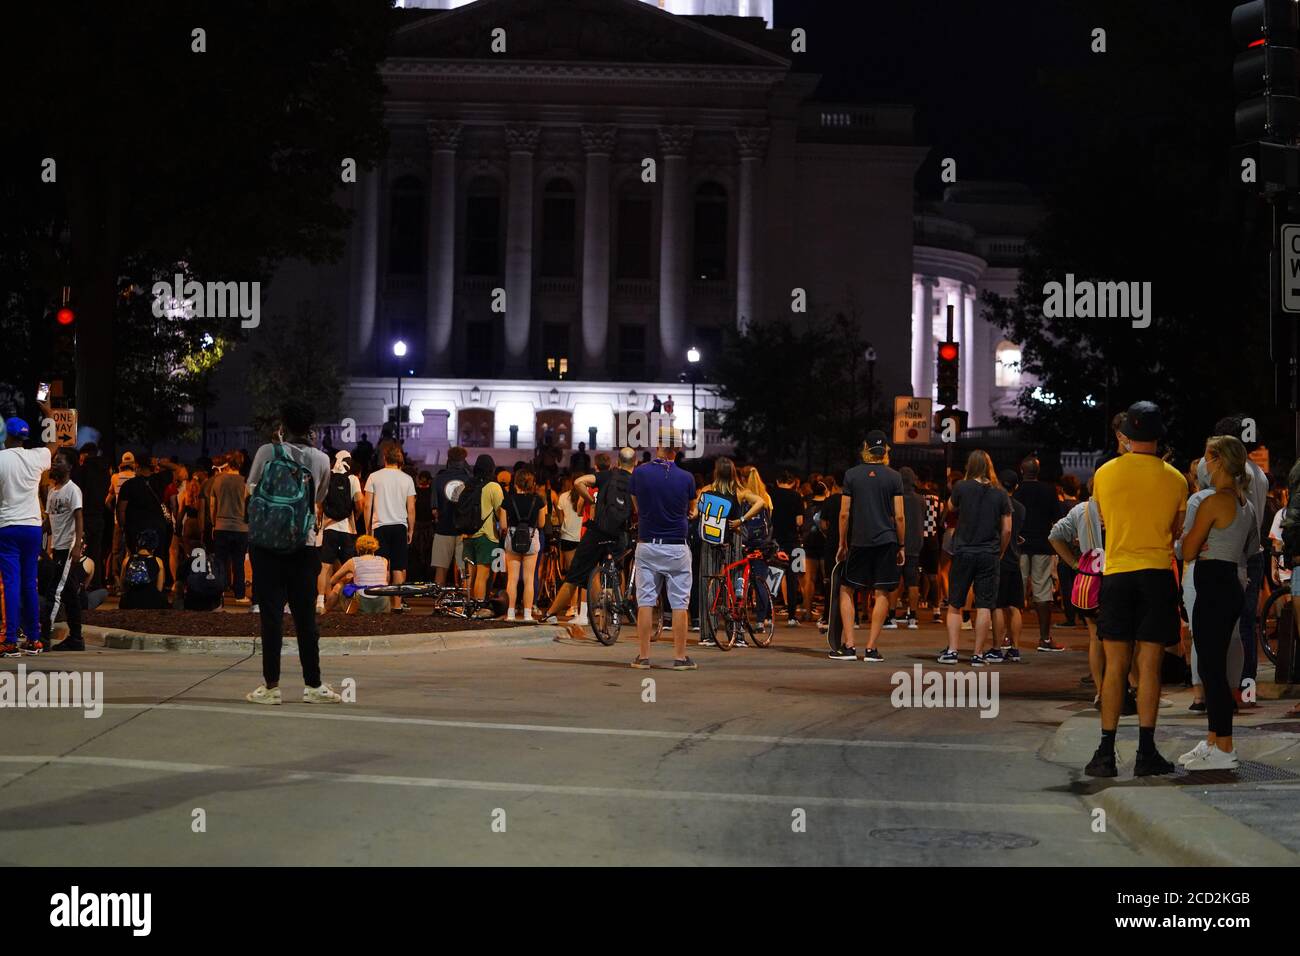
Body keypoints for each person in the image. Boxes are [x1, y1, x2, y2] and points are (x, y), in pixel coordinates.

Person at [1086, 401, 1188, 778]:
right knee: (1150, 666)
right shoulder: (1176, 479)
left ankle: (1105, 752)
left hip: (1118, 572)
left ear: (1126, 435)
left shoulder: (1105, 474)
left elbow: (1101, 518)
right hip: (1157, 574)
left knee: (1115, 665)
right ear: (1159, 437)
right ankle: (1146, 752)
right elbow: (1175, 532)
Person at [244, 400, 340, 706]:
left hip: (265, 546)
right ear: (310, 429)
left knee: (271, 617)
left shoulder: (266, 452)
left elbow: (251, 490)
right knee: (305, 619)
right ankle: (313, 685)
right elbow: (319, 497)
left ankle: (270, 687)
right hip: (304, 544)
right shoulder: (321, 460)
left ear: (282, 426)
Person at [1177, 436, 1257, 771]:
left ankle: (1224, 746)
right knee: (1214, 665)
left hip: (1213, 586)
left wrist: (1192, 542)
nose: (1203, 464)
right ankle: (1213, 740)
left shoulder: (1212, 501)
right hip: (1228, 584)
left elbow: (1186, 549)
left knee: (1211, 669)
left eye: (1208, 457)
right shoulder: (1245, 503)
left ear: (1219, 461)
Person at [832, 431, 904, 663]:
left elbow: (844, 513)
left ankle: (850, 645)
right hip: (887, 540)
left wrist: (842, 543)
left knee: (847, 589)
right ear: (885, 451)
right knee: (882, 592)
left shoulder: (851, 475)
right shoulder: (894, 477)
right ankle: (871, 649)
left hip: (859, 541)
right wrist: (901, 545)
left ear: (865, 448)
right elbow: (900, 517)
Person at [543, 448, 635, 626]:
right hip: (620, 533)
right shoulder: (636, 481)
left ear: (617, 463)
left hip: (597, 531)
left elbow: (578, 482)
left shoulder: (607, 476)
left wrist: (591, 501)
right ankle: (615, 610)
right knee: (618, 569)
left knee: (576, 575)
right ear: (635, 463)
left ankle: (550, 613)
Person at [939, 451, 1011, 665]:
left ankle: (952, 651)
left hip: (963, 551)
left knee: (955, 603)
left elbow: (950, 507)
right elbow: (1007, 529)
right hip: (989, 553)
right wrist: (1001, 551)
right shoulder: (1000, 493)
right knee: (984, 605)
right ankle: (978, 654)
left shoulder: (961, 487)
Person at [629, 445, 697, 670]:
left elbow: (636, 504)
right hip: (676, 546)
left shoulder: (639, 472)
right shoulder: (686, 477)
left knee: (646, 601)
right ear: (676, 449)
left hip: (647, 543)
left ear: (658, 447)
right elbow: (691, 509)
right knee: (679, 604)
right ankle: (679, 658)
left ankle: (644, 656)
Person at [0, 407, 57, 654]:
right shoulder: (36, 457)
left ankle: (10, 640)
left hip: (7, 526)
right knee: (29, 583)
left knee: (11, 583)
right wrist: (50, 417)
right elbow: (53, 445)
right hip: (32, 526)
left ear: (7, 436)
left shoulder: (2, 459)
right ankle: (34, 639)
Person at [1014, 456, 1065, 652]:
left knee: (1016, 589)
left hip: (1020, 545)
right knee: (1043, 591)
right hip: (1043, 545)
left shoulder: (1017, 491)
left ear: (1021, 470)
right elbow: (1057, 519)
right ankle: (1044, 638)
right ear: (1038, 470)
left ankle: (1009, 637)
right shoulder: (1049, 491)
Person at [364, 444, 417, 612]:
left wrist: (367, 529)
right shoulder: (407, 479)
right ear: (400, 460)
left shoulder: (374, 476)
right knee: (398, 567)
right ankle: (397, 604)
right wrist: (411, 530)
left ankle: (383, 604)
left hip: (380, 525)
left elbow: (367, 506)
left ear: (385, 459)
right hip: (400, 526)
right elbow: (411, 508)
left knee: (382, 566)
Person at [44, 450, 85, 652]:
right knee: (69, 594)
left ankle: (42, 636)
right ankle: (76, 638)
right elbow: (49, 522)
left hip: (67, 548)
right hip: (55, 548)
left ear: (69, 466)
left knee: (55, 592)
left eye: (58, 461)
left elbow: (79, 518)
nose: (54, 464)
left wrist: (77, 545)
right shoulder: (52, 491)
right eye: (53, 461)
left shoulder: (73, 490)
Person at [318, 450, 363, 612]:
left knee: (324, 567)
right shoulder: (352, 479)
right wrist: (355, 517)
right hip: (347, 529)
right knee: (350, 568)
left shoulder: (327, 478)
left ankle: (320, 601)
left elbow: (319, 504)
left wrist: (322, 521)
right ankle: (347, 600)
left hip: (329, 528)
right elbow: (360, 503)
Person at [502, 466, 547, 621]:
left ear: (516, 483)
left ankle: (510, 613)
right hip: (531, 537)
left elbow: (502, 525)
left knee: (512, 579)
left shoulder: (508, 500)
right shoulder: (539, 500)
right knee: (529, 578)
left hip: (513, 536)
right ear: (532, 484)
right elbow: (541, 524)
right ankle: (527, 614)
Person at [465, 454, 505, 617]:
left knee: (470, 575)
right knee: (483, 575)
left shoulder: (468, 485)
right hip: (486, 536)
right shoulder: (493, 487)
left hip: (467, 535)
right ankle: (479, 608)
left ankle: (467, 605)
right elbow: (500, 512)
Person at [994, 468, 1027, 662]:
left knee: (997, 605)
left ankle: (997, 647)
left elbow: (1003, 531)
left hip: (999, 557)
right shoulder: (1021, 508)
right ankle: (1015, 649)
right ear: (1016, 486)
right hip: (1015, 558)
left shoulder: (997, 504)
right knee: (1015, 605)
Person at [208, 454, 250, 604]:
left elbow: (212, 505)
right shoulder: (245, 482)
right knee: (238, 563)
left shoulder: (218, 481)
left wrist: (214, 523)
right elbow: (249, 505)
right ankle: (239, 594)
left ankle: (219, 593)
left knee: (220, 561)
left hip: (221, 525)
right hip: (241, 527)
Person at [889, 466, 925, 630]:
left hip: (898, 543)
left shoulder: (896, 498)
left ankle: (891, 616)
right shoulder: (920, 499)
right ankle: (913, 616)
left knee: (895, 581)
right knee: (913, 582)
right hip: (915, 544)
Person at [71, 443, 110, 591]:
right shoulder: (105, 472)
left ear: (85, 455)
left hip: (84, 516)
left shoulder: (82, 471)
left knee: (81, 551)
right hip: (99, 516)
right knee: (96, 551)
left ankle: (81, 583)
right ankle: (97, 583)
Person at [432, 447, 472, 585]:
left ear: (448, 459)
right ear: (463, 460)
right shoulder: (470, 479)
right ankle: (465, 603)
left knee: (441, 569)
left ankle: (438, 602)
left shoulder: (438, 478)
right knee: (464, 570)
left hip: (443, 529)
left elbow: (434, 510)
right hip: (464, 531)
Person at [325, 534, 391, 614]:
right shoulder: (384, 560)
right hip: (382, 602)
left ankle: (325, 609)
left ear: (358, 548)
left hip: (363, 603)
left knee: (338, 585)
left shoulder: (353, 561)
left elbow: (332, 580)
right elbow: (386, 580)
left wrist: (347, 579)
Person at [771, 470, 804, 626]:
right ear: (792, 483)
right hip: (793, 542)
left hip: (774, 541)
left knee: (772, 577)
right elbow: (799, 521)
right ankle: (792, 616)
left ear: (778, 481)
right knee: (793, 578)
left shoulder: (771, 494)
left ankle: (766, 615)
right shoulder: (796, 497)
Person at [118, 529, 169, 610]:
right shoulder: (158, 562)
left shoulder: (126, 560)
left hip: (130, 602)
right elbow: (159, 588)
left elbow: (122, 585)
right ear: (154, 547)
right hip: (151, 603)